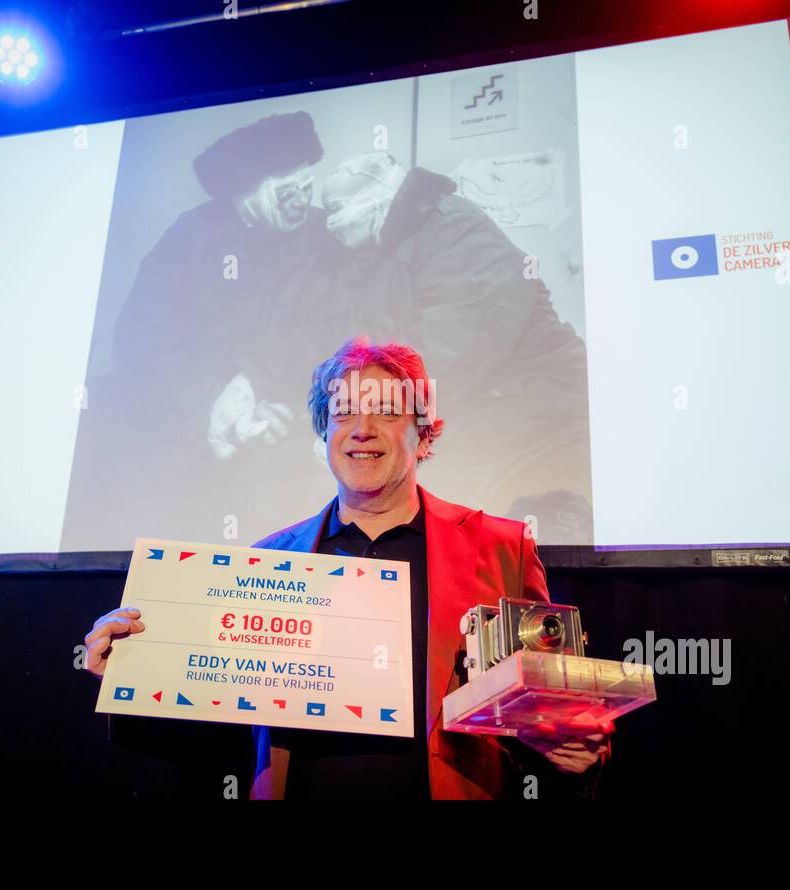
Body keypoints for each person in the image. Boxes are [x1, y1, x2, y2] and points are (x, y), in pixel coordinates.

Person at [84, 337, 611, 799]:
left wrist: (570, 755)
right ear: (324, 434)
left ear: (423, 436)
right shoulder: (269, 561)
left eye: (386, 411)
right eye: (343, 414)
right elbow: (226, 731)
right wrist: (132, 673)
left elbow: (543, 712)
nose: (362, 429)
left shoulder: (500, 548)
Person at [62, 111, 353, 545]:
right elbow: (141, 342)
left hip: (281, 429)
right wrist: (213, 399)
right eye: (283, 182)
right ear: (243, 192)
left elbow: (328, 326)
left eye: (304, 178)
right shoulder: (191, 237)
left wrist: (259, 385)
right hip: (179, 430)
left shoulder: (322, 236)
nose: (300, 194)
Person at [321, 152, 595, 543]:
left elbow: (449, 354)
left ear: (375, 197)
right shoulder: (391, 245)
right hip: (489, 426)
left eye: (338, 210)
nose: (334, 224)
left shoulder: (455, 230)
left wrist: (354, 421)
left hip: (540, 426)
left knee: (535, 562)